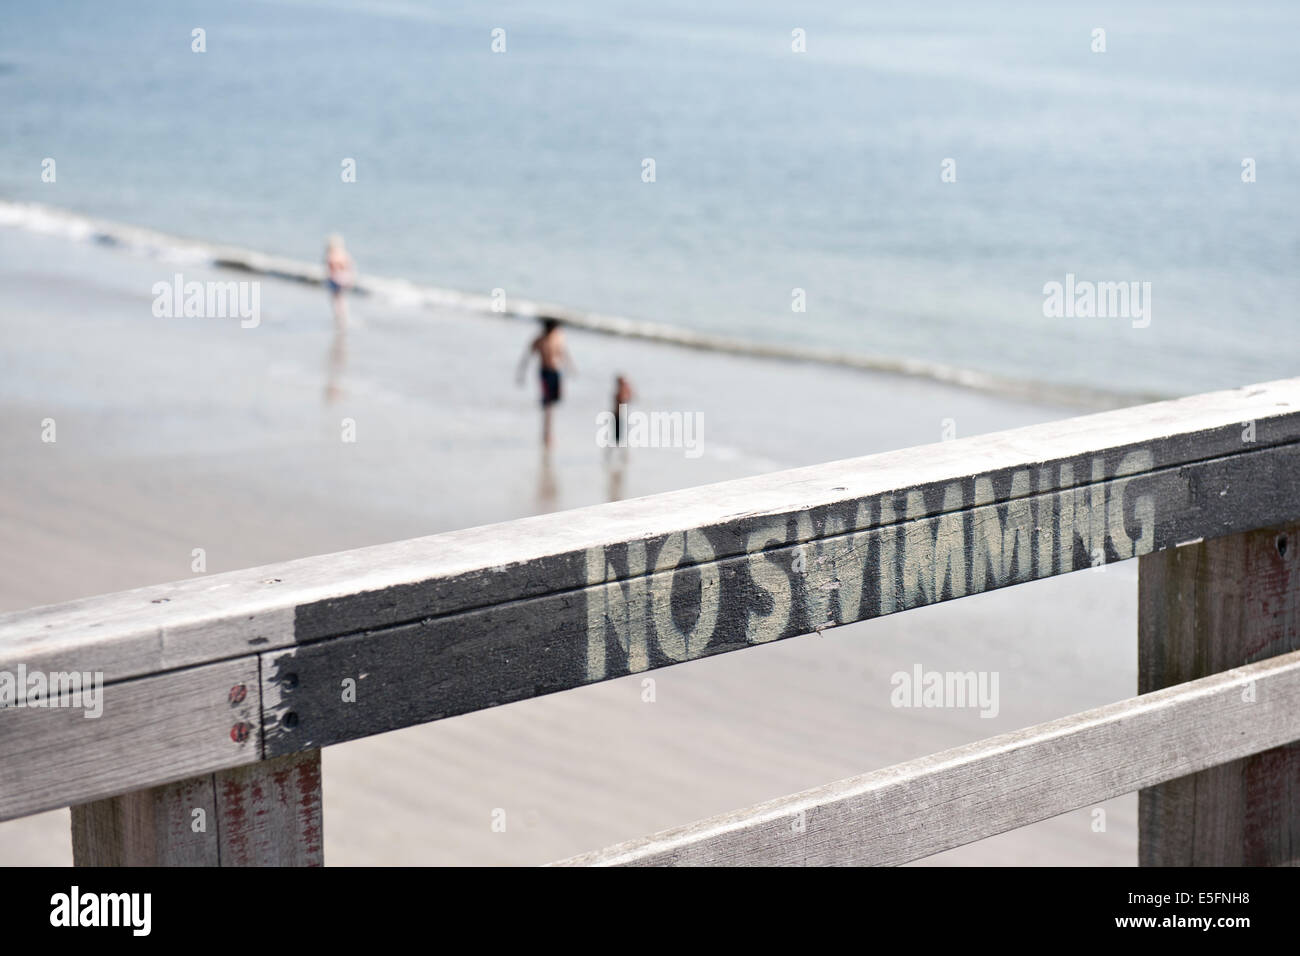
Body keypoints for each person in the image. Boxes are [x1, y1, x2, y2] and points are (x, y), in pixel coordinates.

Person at [517, 317, 574, 448]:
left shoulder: (558, 337)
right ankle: (547, 434)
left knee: (554, 403)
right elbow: (527, 356)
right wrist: (521, 373)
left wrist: (570, 368)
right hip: (545, 373)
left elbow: (564, 353)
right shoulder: (539, 339)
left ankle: (548, 432)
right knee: (548, 404)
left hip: (556, 372)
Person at [324, 234, 355, 330]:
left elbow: (329, 270)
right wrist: (351, 278)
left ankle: (339, 318)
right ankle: (344, 317)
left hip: (335, 279)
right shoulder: (344, 254)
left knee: (336, 299)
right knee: (342, 298)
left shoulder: (330, 256)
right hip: (344, 278)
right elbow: (350, 266)